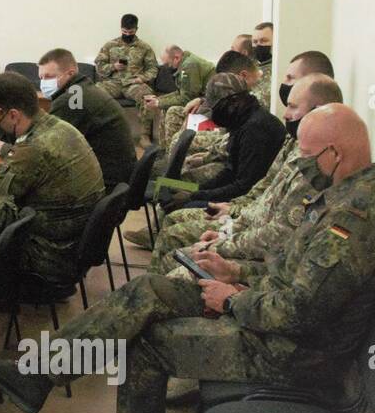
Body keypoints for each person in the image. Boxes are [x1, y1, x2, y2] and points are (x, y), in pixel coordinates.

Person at [0, 104, 375, 413]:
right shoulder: (345, 194)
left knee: (147, 345)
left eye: (306, 155)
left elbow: (297, 313)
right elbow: (294, 276)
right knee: (148, 291)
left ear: (335, 153)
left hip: (293, 351)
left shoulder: (357, 219)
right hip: (266, 311)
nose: (300, 165)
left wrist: (231, 301)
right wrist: (235, 272)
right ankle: (39, 373)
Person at [150, 56, 340, 270]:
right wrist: (207, 197)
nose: (285, 114)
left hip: (251, 231)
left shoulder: (263, 132)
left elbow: (252, 194)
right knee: (173, 197)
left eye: (293, 106)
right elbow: (258, 187)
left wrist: (209, 204)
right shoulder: (263, 129)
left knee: (173, 229)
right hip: (244, 212)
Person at [0, 72, 104, 288]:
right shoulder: (59, 127)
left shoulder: (32, 150)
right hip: (75, 244)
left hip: (51, 257)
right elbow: (28, 161)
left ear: (13, 115)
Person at [158, 72, 285, 210]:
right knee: (170, 197)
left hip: (251, 202)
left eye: (215, 107)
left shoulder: (255, 129)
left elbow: (244, 187)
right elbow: (230, 172)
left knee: (176, 208)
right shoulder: (242, 119)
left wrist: (193, 196)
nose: (213, 112)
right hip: (241, 191)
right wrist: (196, 190)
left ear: (230, 103)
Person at [37, 49, 135, 189]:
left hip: (106, 184)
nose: (43, 83)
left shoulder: (71, 100)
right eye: (41, 78)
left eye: (49, 77)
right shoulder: (84, 88)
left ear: (70, 73)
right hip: (119, 179)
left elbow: (44, 148)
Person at [142, 45, 214, 149]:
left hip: (209, 104)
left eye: (169, 64)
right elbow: (181, 92)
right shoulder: (186, 63)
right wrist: (158, 100)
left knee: (173, 111)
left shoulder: (189, 66)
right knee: (164, 107)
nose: (168, 67)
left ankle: (172, 151)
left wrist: (159, 103)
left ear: (176, 58)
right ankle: (164, 150)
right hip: (201, 100)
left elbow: (187, 98)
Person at [94, 13, 158, 102]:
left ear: (136, 29)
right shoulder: (110, 45)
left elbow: (153, 68)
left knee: (148, 99)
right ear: (121, 28)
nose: (127, 34)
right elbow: (99, 66)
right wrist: (113, 66)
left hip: (134, 84)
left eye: (131, 32)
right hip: (113, 83)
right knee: (93, 94)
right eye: (124, 31)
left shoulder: (144, 47)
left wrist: (143, 78)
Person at [250, 22, 274, 108]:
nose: (258, 45)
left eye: (263, 41)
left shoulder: (277, 69)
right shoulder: (249, 67)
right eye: (255, 42)